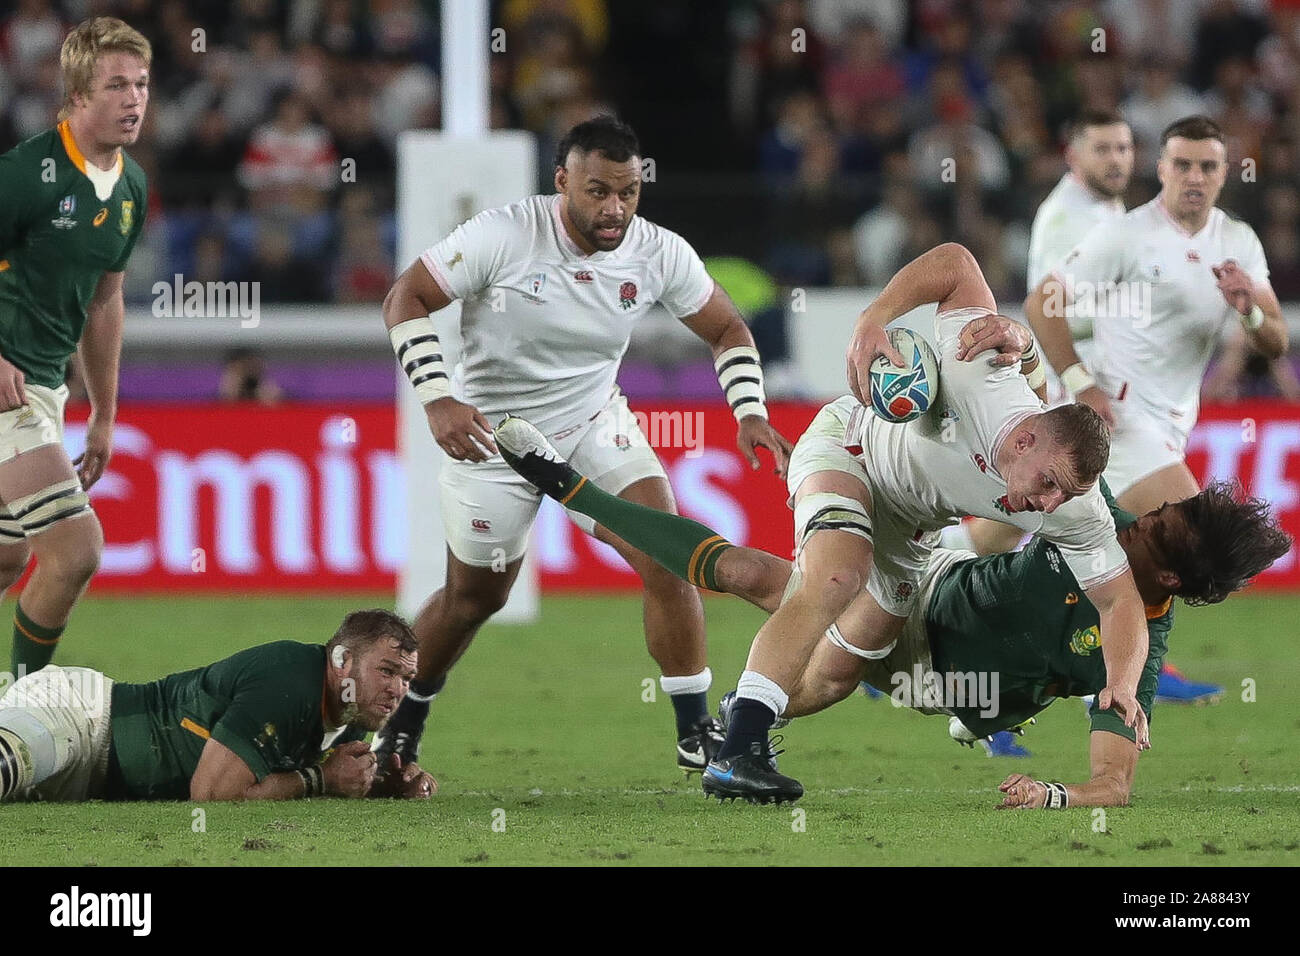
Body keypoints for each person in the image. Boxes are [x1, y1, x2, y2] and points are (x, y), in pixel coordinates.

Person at [498, 242, 1155, 804]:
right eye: (1045, 483)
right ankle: (740, 753)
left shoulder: (1071, 502)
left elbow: (1119, 599)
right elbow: (957, 262)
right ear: (1025, 443)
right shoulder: (982, 369)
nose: (1046, 505)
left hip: (909, 531)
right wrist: (876, 318)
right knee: (836, 575)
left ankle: (736, 707)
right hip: (849, 448)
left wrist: (1122, 684)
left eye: (1061, 495)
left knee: (836, 669)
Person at [488, 422, 1289, 807]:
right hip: (934, 580)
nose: (1139, 517)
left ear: (1175, 573)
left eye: (1158, 526)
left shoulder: (1136, 652)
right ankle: (569, 489)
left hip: (940, 676)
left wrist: (1057, 796)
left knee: (829, 647)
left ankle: (736, 730)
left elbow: (1112, 784)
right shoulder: (1090, 510)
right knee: (751, 572)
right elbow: (1037, 469)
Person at [376, 116, 794, 774]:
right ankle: (404, 718)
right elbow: (408, 296)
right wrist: (438, 397)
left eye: (628, 192)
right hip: (494, 436)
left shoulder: (656, 252)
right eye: (598, 191)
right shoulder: (506, 233)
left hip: (591, 425)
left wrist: (748, 410)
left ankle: (696, 733)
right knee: (475, 598)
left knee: (667, 552)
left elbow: (727, 329)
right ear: (563, 181)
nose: (615, 208)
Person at [965, 110, 1222, 722]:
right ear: (1072, 154)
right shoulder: (1069, 218)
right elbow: (1055, 307)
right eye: (1102, 148)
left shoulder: (1110, 216)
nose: (1117, 160)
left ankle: (904, 609)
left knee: (1006, 525)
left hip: (1096, 398)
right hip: (1078, 400)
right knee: (1178, 522)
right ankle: (1122, 668)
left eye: (1125, 147)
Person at [1026, 114, 1288, 692]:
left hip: (1171, 423)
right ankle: (1133, 679)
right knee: (1193, 538)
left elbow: (1276, 340)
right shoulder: (1126, 235)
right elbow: (1041, 303)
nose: (1195, 176)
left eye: (1208, 166)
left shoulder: (1236, 240)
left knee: (1060, 544)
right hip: (1118, 418)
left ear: (1224, 173)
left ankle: (1017, 662)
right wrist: (1079, 380)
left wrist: (1246, 309)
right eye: (1183, 164)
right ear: (1163, 168)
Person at [0, 17, 150, 677]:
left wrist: (106, 413)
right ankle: (23, 711)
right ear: (77, 95)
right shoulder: (26, 173)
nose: (134, 99)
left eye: (141, 84)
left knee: (6, 560)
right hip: (4, 386)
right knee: (77, 549)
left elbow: (104, 301)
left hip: (45, 390)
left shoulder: (130, 188)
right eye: (116, 85)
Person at [0, 608, 436, 802]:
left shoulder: (350, 718)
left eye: (407, 678)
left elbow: (310, 776)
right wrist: (320, 779)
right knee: (10, 760)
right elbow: (211, 794)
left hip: (84, 785)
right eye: (387, 670)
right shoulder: (288, 676)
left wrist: (382, 785)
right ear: (341, 661)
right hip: (79, 714)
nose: (398, 689)